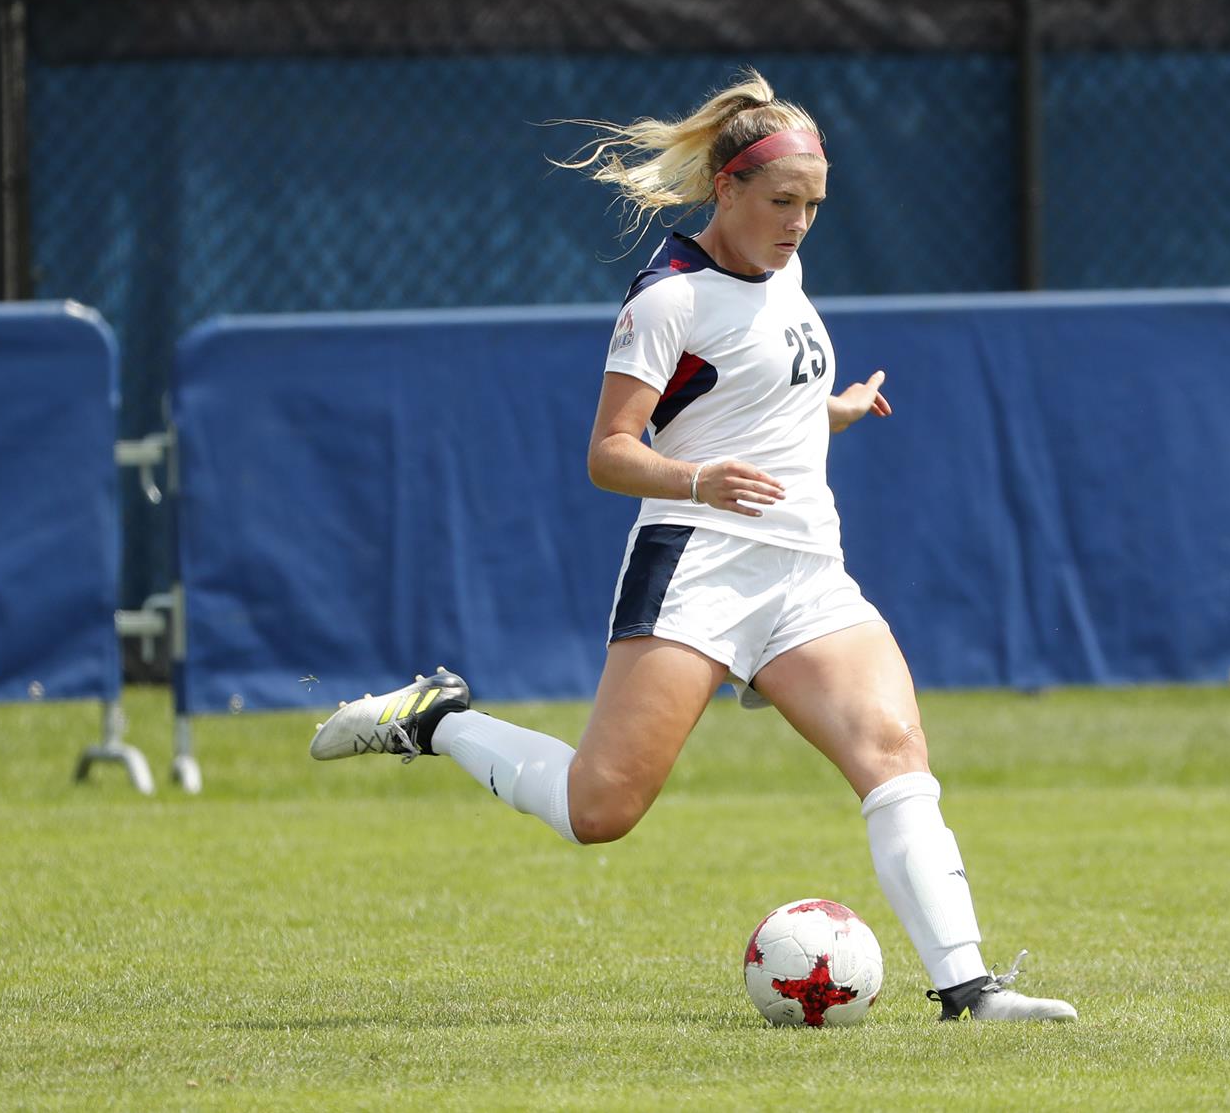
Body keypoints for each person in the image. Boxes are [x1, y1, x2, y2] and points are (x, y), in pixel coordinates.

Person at [310, 69, 1075, 1023]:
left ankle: (971, 986)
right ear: (728, 190)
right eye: (782, 202)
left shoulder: (781, 268)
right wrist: (695, 478)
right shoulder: (667, 298)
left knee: (895, 754)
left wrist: (826, 410)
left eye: (814, 204)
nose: (800, 222)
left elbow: (753, 398)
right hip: (698, 561)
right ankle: (436, 718)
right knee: (601, 810)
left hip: (804, 570)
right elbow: (609, 453)